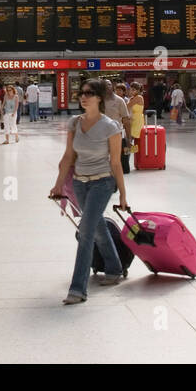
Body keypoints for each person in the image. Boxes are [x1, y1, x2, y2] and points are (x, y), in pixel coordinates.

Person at [49, 79, 128, 305]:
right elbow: (68, 157)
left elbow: (115, 163)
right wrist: (58, 184)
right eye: (82, 93)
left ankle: (78, 289)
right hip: (79, 183)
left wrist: (122, 194)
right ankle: (113, 268)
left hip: (102, 183)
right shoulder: (74, 123)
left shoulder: (110, 127)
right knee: (96, 226)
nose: (83, 97)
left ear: (100, 98)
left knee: (85, 232)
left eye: (89, 93)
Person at [101, 80, 128, 170]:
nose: (107, 86)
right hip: (102, 133)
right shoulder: (99, 100)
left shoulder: (120, 101)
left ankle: (115, 173)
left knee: (115, 156)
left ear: (112, 86)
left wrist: (129, 137)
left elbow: (126, 119)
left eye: (109, 84)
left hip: (116, 132)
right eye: (104, 85)